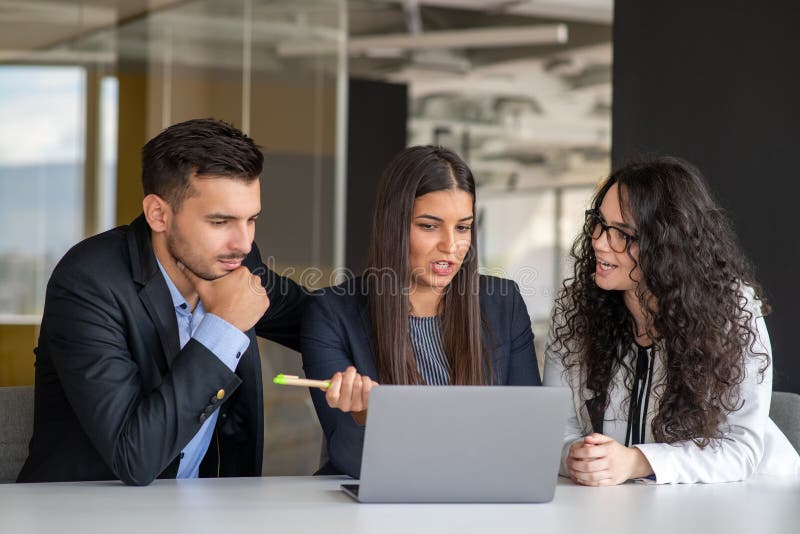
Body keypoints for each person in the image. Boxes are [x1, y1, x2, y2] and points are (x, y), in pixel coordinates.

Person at [17, 118, 307, 485]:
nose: (243, 243)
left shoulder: (233, 261)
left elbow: (322, 320)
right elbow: (134, 458)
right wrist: (224, 326)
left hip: (206, 510)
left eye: (251, 220)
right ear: (159, 214)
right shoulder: (87, 284)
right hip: (86, 513)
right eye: (220, 222)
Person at [543, 156, 800, 485]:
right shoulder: (576, 310)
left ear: (665, 247)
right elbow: (557, 431)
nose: (599, 241)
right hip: (618, 509)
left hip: (746, 504)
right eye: (599, 223)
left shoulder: (731, 310)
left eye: (622, 235)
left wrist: (638, 461)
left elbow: (740, 449)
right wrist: (574, 456)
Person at [301, 145, 541, 478]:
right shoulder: (331, 312)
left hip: (482, 500)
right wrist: (364, 418)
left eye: (463, 227)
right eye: (429, 226)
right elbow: (349, 460)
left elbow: (528, 436)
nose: (451, 246)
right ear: (393, 225)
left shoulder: (504, 302)